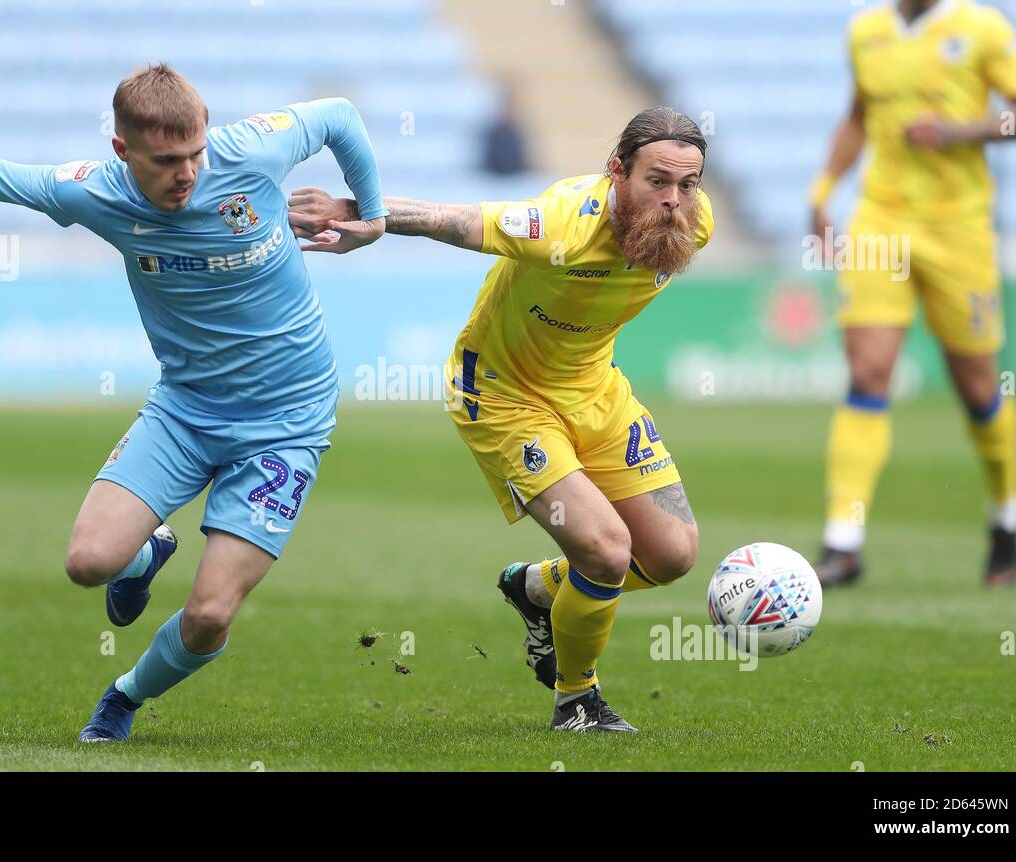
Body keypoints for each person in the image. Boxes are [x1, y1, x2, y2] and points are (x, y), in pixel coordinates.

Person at [0, 63, 387, 741]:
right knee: (87, 564)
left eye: (196, 154)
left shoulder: (252, 150)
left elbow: (340, 117)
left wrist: (374, 214)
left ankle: (123, 696)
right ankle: (147, 554)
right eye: (168, 161)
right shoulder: (98, 195)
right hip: (186, 411)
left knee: (209, 616)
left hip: (286, 422)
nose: (188, 174)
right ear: (124, 153)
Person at [290, 106, 713, 732]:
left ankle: (538, 589)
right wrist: (358, 214)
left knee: (673, 554)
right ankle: (578, 699)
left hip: (595, 390)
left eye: (689, 185)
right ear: (617, 172)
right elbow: (454, 219)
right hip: (504, 392)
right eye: (658, 182)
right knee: (605, 552)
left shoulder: (693, 225)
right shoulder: (566, 221)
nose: (675, 201)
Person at [810, 0, 1016, 588]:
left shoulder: (982, 28)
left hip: (958, 228)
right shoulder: (866, 31)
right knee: (868, 373)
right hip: (880, 221)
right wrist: (821, 194)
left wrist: (959, 131)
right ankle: (844, 541)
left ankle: (1005, 517)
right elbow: (858, 116)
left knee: (976, 386)